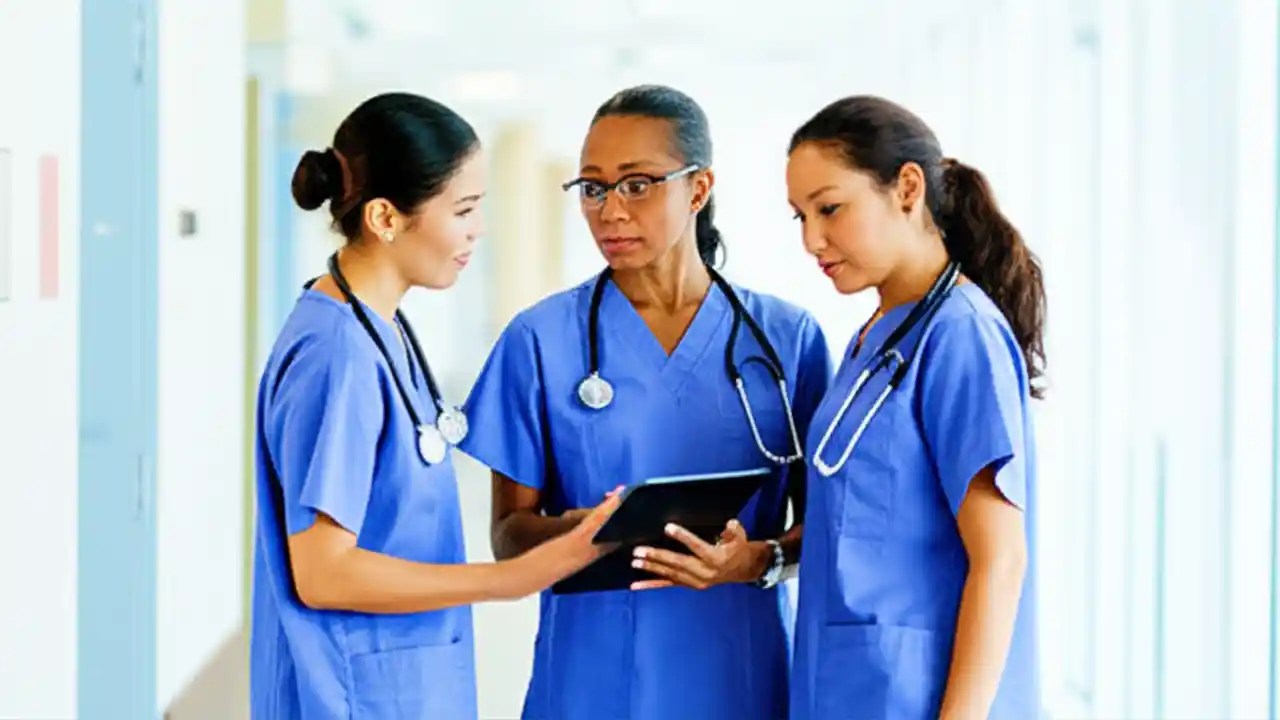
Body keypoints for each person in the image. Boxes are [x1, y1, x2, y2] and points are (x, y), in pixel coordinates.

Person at [457, 84, 832, 720]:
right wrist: (583, 530)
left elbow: (826, 528)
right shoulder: (540, 340)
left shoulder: (786, 340)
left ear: (699, 187)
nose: (610, 210)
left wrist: (755, 560)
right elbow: (509, 535)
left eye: (637, 184)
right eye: (593, 188)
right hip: (589, 678)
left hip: (738, 674)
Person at [249, 92, 621, 720]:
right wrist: (510, 578)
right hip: (348, 693)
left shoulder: (378, 329)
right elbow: (324, 573)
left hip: (398, 682)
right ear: (386, 218)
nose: (478, 229)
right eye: (464, 209)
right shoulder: (337, 353)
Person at [784, 94, 1046, 720]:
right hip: (845, 688)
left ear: (907, 188)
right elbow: (864, 528)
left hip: (918, 697)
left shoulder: (960, 335)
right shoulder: (878, 335)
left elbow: (1000, 558)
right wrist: (762, 557)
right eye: (798, 217)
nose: (811, 239)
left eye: (830, 209)